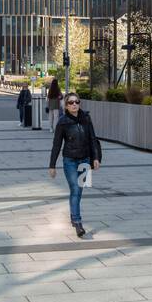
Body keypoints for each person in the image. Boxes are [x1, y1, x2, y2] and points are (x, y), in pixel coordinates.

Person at [47, 92, 101, 238]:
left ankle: (73, 216)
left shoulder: (86, 119)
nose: (74, 104)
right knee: (75, 189)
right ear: (66, 105)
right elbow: (56, 145)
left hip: (85, 160)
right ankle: (77, 222)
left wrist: (95, 158)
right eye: (70, 102)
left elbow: (92, 139)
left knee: (80, 191)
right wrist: (52, 165)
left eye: (76, 102)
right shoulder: (62, 122)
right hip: (69, 161)